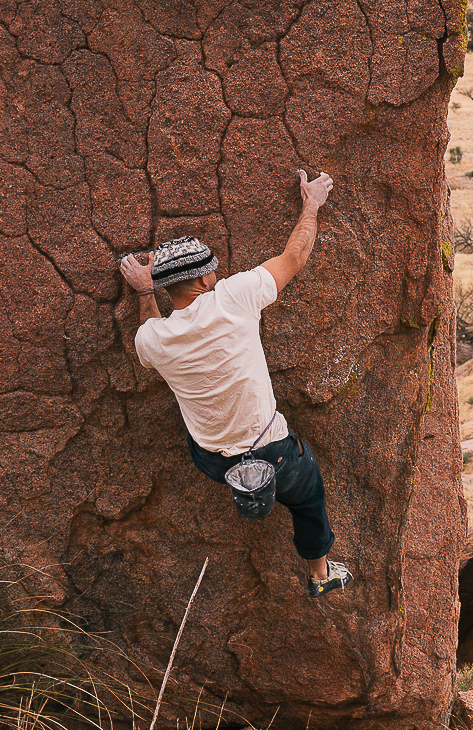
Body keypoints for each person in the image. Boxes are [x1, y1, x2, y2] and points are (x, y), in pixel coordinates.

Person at [118, 170, 350, 598]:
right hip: (273, 451)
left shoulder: (152, 340)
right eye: (213, 273)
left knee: (203, 435)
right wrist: (311, 204)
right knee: (307, 495)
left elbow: (149, 326)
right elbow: (294, 256)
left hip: (212, 461)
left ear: (168, 286)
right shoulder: (235, 296)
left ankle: (242, 485)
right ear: (206, 280)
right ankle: (321, 574)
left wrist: (143, 291)